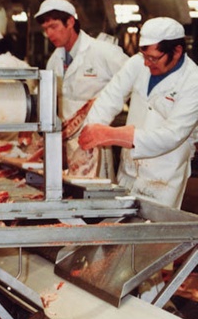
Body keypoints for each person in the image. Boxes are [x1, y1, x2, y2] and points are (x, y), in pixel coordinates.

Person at [79, 17, 198, 208]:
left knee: (154, 233)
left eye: (153, 58)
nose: (146, 64)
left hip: (163, 177)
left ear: (176, 51)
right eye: (144, 56)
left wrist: (115, 135)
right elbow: (110, 97)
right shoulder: (137, 64)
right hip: (129, 169)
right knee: (121, 226)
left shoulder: (193, 82)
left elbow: (172, 135)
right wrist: (92, 128)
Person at [35, 0, 127, 178]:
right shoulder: (55, 59)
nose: (50, 34)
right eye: (46, 29)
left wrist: (109, 110)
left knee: (97, 193)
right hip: (68, 142)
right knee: (73, 192)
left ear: (70, 22)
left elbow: (133, 80)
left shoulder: (102, 51)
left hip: (96, 141)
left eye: (54, 27)